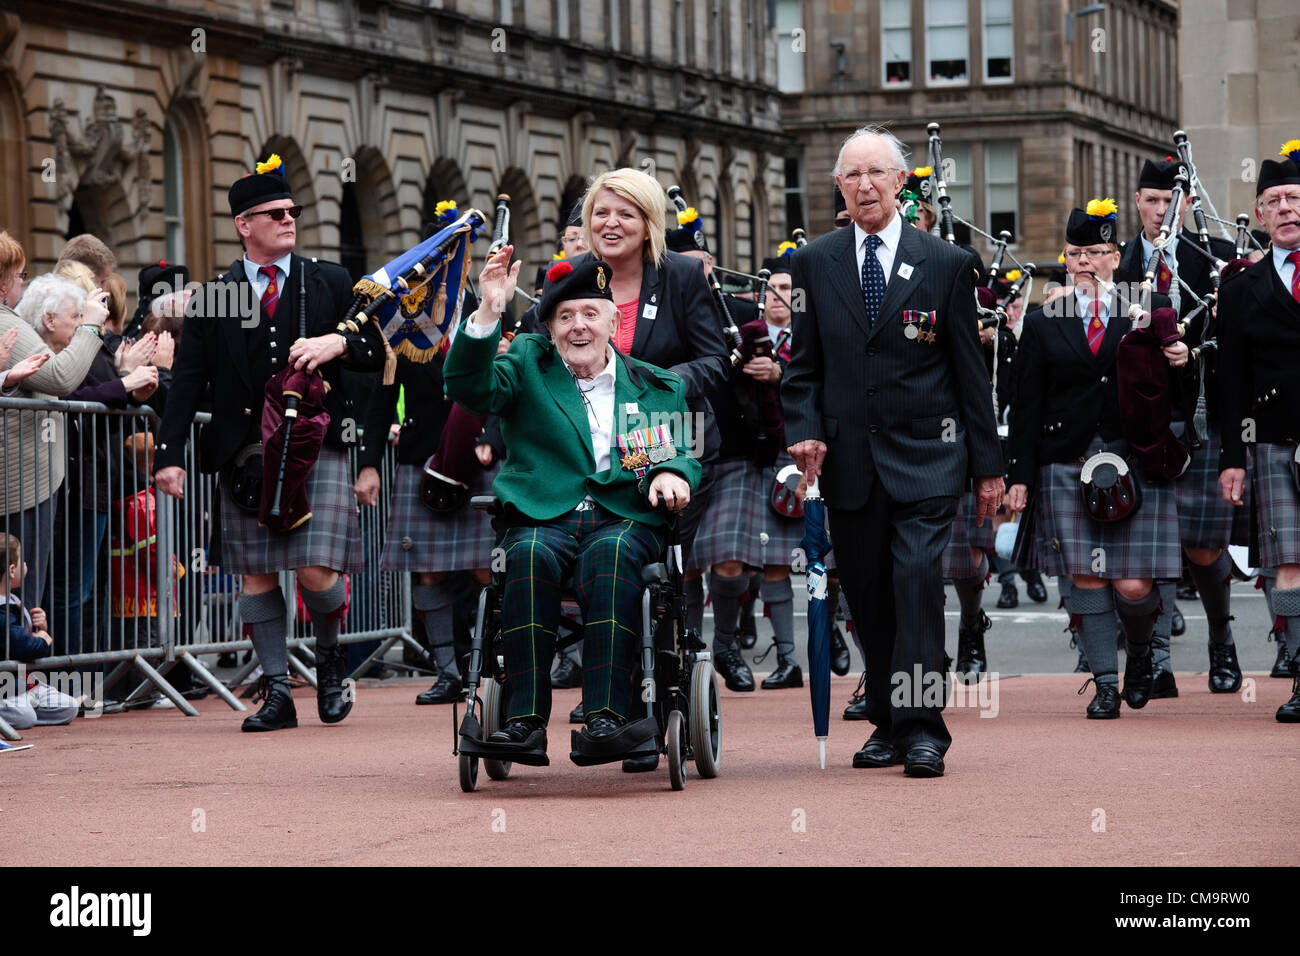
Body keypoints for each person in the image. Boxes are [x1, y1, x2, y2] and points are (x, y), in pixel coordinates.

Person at [783, 126, 1003, 778]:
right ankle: (884, 718)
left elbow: (970, 372)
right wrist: (803, 429)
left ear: (901, 183)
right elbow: (802, 369)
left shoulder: (946, 264)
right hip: (849, 464)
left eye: (876, 173)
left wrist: (989, 465)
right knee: (871, 597)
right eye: (851, 175)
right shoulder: (813, 262)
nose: (864, 186)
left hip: (929, 458)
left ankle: (923, 727)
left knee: (915, 584)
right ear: (839, 187)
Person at [153, 154, 385, 732]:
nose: (288, 219)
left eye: (293, 211)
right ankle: (278, 691)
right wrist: (169, 455)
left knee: (315, 572)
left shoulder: (328, 281)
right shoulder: (217, 297)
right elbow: (186, 381)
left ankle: (330, 665)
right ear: (243, 225)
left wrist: (339, 345)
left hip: (317, 443)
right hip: (243, 453)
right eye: (275, 213)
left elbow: (378, 356)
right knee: (256, 574)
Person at [443, 248, 701, 763]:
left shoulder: (657, 385)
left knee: (611, 556)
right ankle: (523, 721)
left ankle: (607, 715)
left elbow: (681, 453)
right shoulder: (526, 365)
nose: (578, 327)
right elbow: (467, 388)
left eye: (589, 314)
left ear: (613, 319)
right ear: (550, 327)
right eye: (564, 317)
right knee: (529, 556)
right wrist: (489, 312)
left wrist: (671, 471)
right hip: (543, 515)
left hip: (624, 517)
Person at [1007, 199, 1185, 719]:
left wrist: (1182, 357)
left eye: (1098, 252)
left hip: (1136, 456)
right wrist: (1019, 474)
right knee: (1087, 577)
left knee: (1133, 583)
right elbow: (1027, 404)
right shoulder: (1044, 321)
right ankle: (1105, 682)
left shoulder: (1146, 307)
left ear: (1116, 257)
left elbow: (1179, 383)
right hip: (1066, 459)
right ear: (1065, 257)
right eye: (1076, 252)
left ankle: (1140, 655)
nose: (1086, 262)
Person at [356, 201, 499, 706]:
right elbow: (379, 398)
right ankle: (447, 670)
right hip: (422, 457)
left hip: (478, 455)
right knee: (430, 570)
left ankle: (493, 667)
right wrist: (370, 463)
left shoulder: (488, 311)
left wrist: (495, 440)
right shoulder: (401, 322)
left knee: (487, 567)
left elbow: (508, 386)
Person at [1116, 156, 1244, 696]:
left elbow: (1238, 340)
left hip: (1198, 417)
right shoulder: (1116, 264)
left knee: (1202, 545)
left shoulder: (1216, 260)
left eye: (1171, 201)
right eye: (1151, 200)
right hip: (1138, 423)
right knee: (1144, 551)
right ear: (1137, 202)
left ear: (1187, 204)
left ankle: (1221, 640)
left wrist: (1194, 352)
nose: (1161, 210)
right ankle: (1151, 662)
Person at [691, 247, 804, 690]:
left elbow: (828, 383)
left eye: (789, 292)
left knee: (780, 562)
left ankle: (790, 661)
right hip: (738, 457)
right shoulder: (739, 331)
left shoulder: (813, 338)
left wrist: (781, 374)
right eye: (772, 289)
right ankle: (727, 647)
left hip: (791, 457)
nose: (779, 298)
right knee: (727, 559)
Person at [1217, 141, 1300, 722]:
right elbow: (1231, 379)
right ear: (1261, 215)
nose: (1287, 208)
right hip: (1273, 437)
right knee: (1289, 562)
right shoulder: (1241, 286)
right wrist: (1233, 457)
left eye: (1295, 197)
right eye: (1275, 201)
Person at [2, 265, 110, 612]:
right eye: (19, 274)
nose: (23, 280)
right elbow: (63, 378)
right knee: (23, 594)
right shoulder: (8, 322)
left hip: (32, 480)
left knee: (30, 594)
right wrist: (92, 326)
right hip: (21, 482)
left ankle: (31, 656)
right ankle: (26, 663)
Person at [1, 532, 80, 729]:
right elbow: (19, 644)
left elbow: (25, 635)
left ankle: (23, 704)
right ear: (12, 571)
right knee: (24, 717)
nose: (25, 564)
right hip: (5, 686)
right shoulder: (1, 610)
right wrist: (43, 639)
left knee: (69, 707)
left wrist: (41, 627)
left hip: (21, 683)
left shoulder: (13, 600)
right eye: (22, 560)